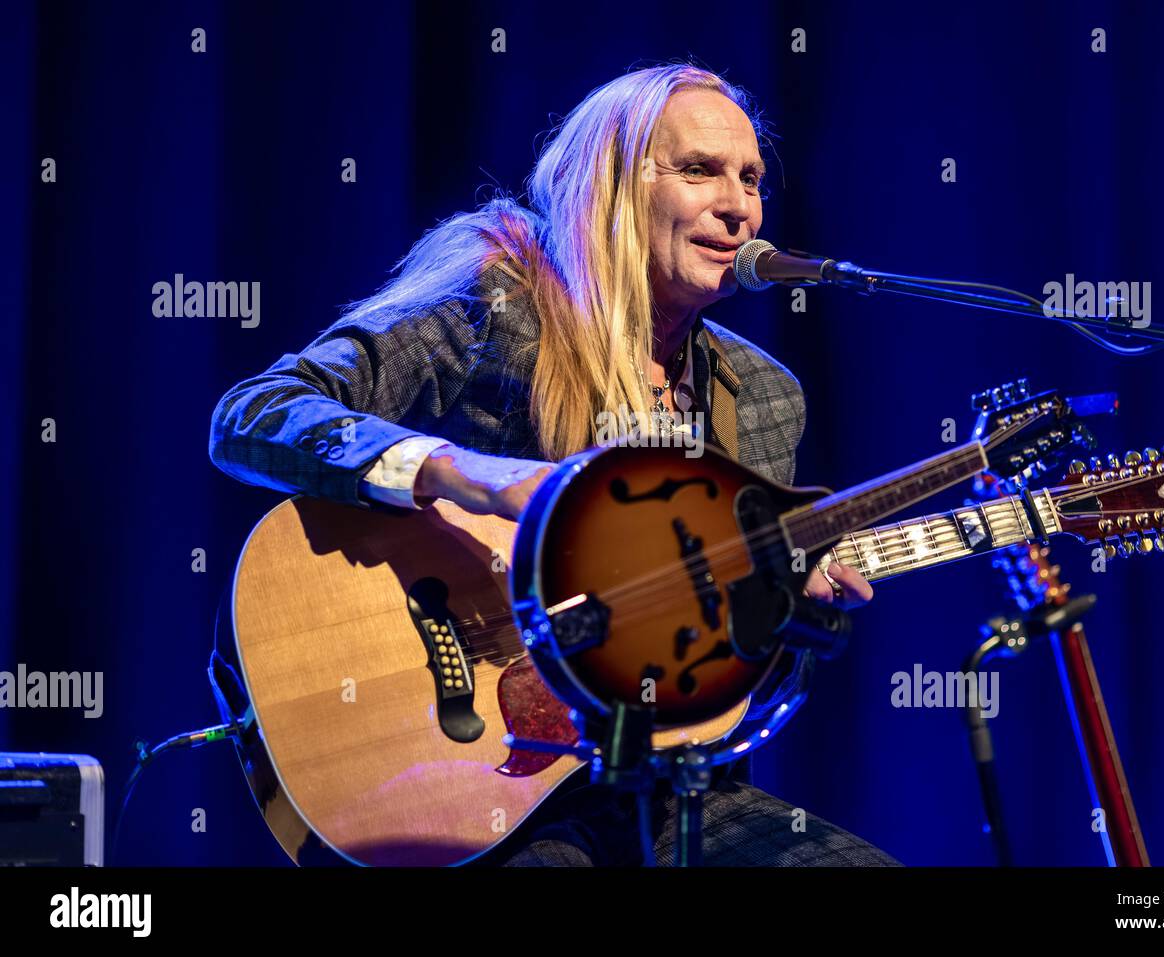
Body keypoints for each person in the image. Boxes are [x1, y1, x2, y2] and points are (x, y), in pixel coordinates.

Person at [210, 63, 899, 866]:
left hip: (669, 789)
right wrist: (466, 472)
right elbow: (253, 413)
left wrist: (787, 626)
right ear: (609, 186)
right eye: (700, 170)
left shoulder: (767, 398)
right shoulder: (499, 301)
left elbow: (719, 691)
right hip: (482, 779)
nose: (740, 206)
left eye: (751, 178)